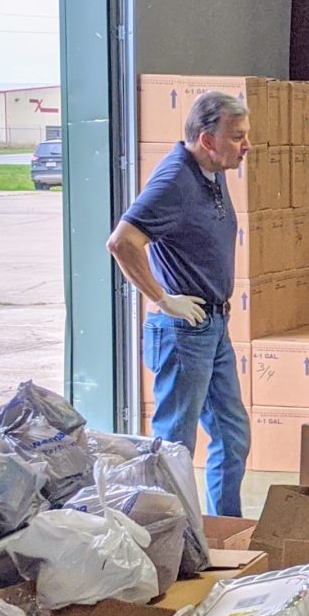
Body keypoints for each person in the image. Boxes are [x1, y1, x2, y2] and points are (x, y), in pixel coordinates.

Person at [106, 90, 251, 516]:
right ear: (207, 140)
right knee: (175, 444)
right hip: (184, 331)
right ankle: (171, 536)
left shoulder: (212, 169)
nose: (247, 146)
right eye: (238, 136)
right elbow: (122, 242)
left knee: (232, 433)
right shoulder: (173, 180)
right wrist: (162, 298)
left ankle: (225, 531)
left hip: (213, 324)